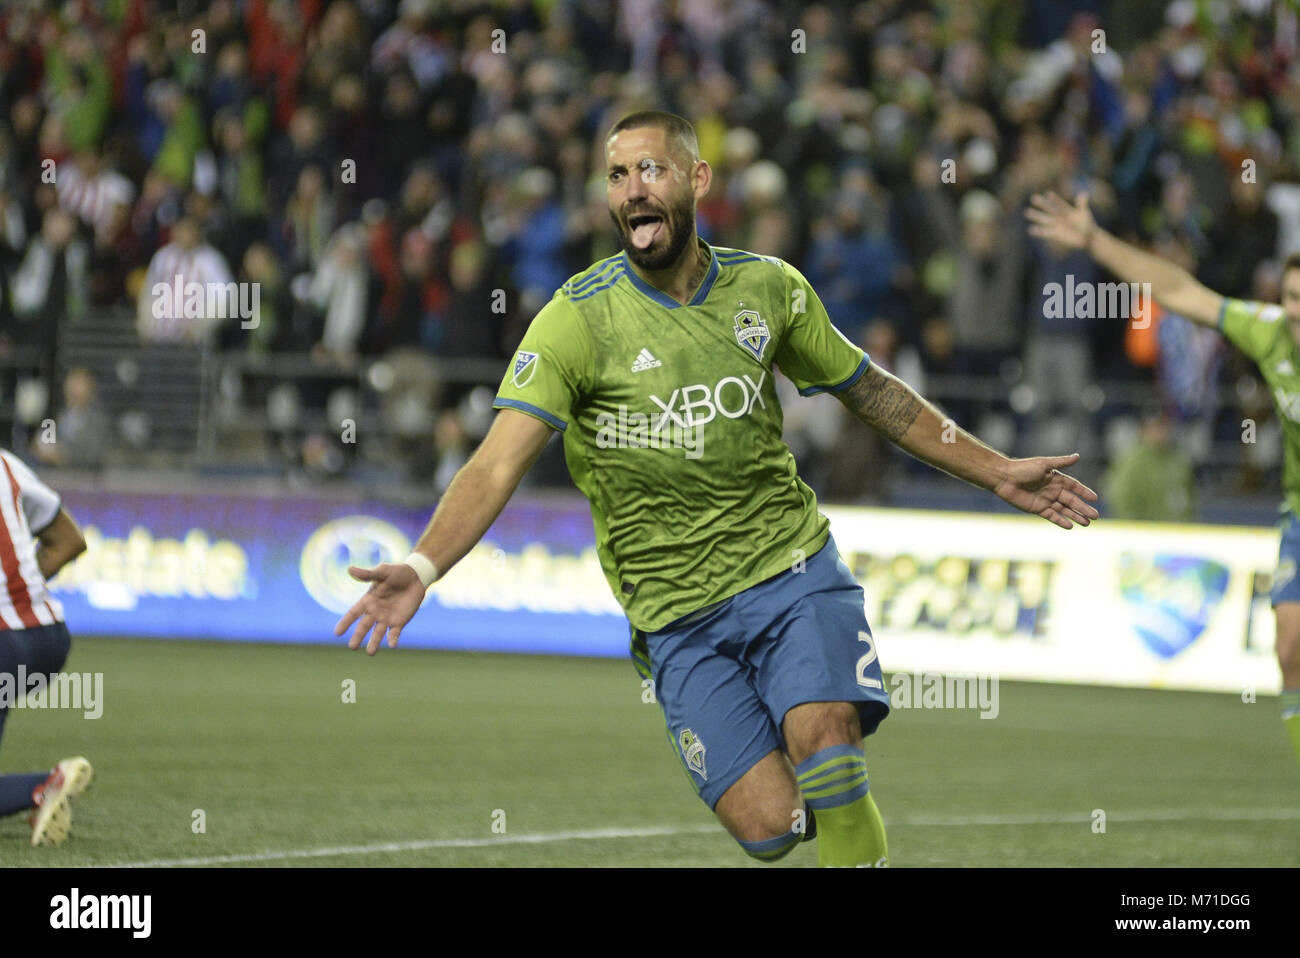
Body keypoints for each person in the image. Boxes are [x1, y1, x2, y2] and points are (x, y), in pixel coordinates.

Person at [336, 112, 1099, 866]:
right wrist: (425, 565)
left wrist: (997, 469)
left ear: (697, 179)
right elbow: (494, 464)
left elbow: (873, 393)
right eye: (617, 175)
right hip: (676, 616)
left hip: (789, 571)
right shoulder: (576, 319)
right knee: (770, 828)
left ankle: (829, 774)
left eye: (652, 169)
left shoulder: (769, 291)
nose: (634, 189)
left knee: (825, 738)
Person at [1027, 189, 1300, 767]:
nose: (1296, 312)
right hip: (1299, 512)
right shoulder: (1270, 330)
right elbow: (1178, 290)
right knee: (1290, 645)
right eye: (1292, 298)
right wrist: (1096, 241)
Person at [0, 447, 92, 845]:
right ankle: (38, 798)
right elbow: (68, 540)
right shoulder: (6, 462)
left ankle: (45, 786)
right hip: (48, 637)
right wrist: (20, 591)